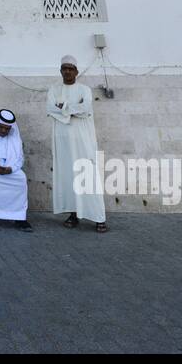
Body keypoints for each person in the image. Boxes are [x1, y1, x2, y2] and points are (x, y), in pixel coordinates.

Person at [48, 56, 107, 232]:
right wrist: (73, 108)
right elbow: (51, 109)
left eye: (70, 68)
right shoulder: (53, 89)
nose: (67, 71)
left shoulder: (84, 89)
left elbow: (86, 109)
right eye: (64, 68)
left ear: (76, 71)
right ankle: (73, 215)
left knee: (88, 175)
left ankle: (99, 218)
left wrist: (63, 107)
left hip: (83, 140)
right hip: (63, 140)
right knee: (68, 177)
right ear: (60, 71)